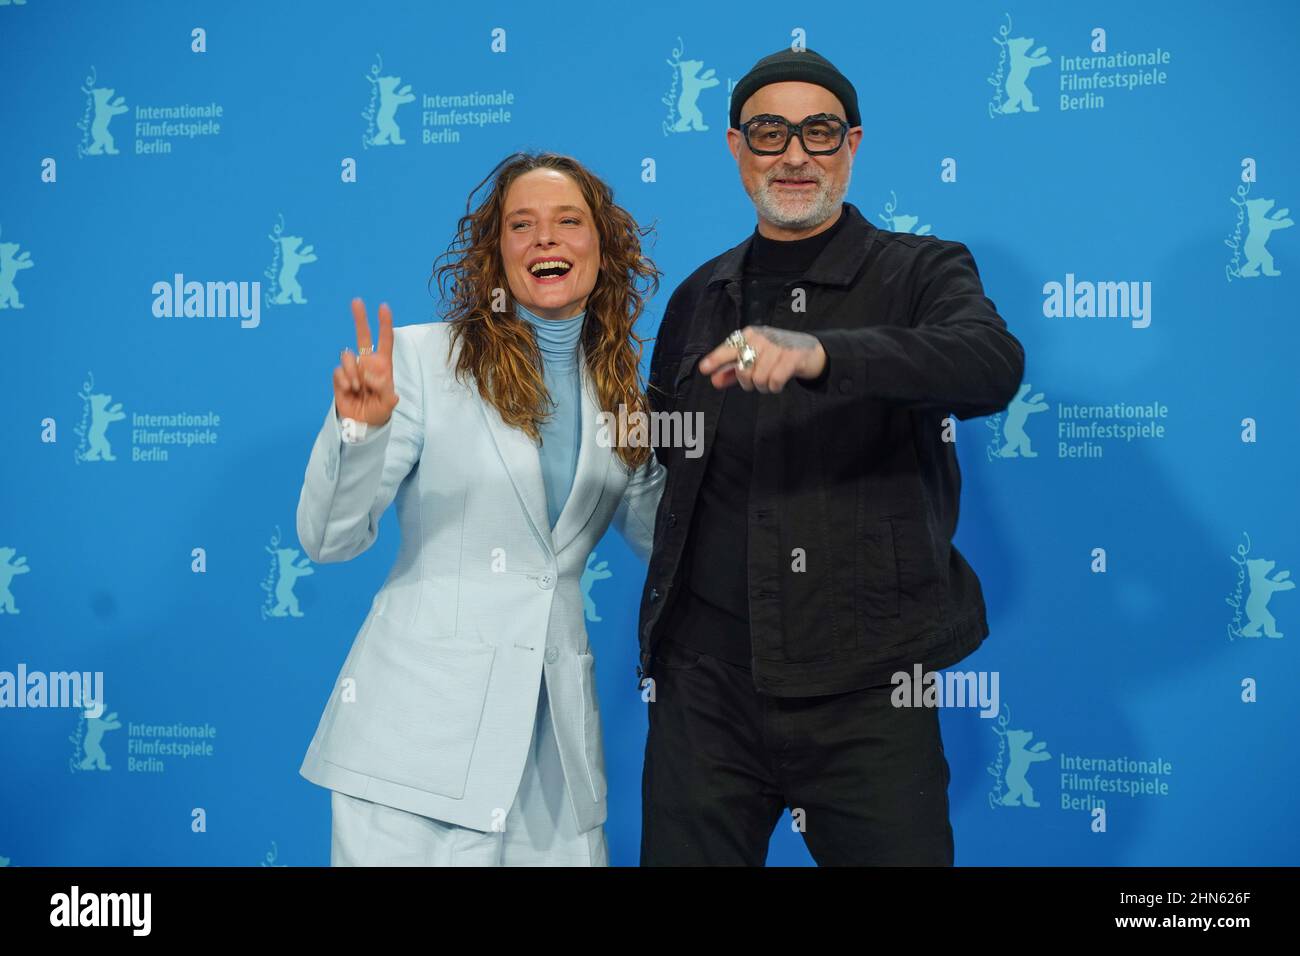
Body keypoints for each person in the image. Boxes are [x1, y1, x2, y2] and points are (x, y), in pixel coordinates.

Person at [636, 48, 1026, 865]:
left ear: (852, 144)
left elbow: (989, 366)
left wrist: (820, 354)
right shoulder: (698, 295)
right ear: (736, 148)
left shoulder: (923, 270)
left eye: (818, 132)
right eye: (769, 132)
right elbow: (668, 458)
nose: (794, 154)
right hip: (704, 692)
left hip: (869, 689)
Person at [295, 152, 665, 866]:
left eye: (568, 221)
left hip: (553, 757)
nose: (545, 239)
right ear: (496, 253)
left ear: (603, 245)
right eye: (521, 225)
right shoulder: (421, 362)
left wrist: (656, 460)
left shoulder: (622, 393)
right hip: (415, 748)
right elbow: (329, 539)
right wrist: (359, 430)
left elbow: (656, 537)